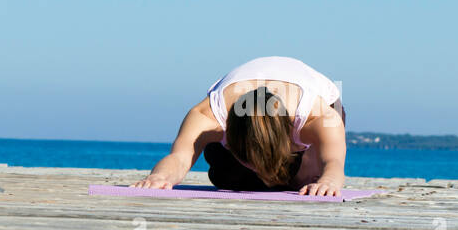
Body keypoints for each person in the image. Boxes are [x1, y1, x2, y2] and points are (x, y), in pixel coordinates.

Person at [133, 56, 347, 197]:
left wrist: (327, 181)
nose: (254, 165)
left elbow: (334, 161)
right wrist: (160, 177)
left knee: (304, 183)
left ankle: (292, 167)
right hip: (247, 110)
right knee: (228, 179)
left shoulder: (318, 116)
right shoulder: (208, 115)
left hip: (315, 106)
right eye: (247, 158)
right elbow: (180, 157)